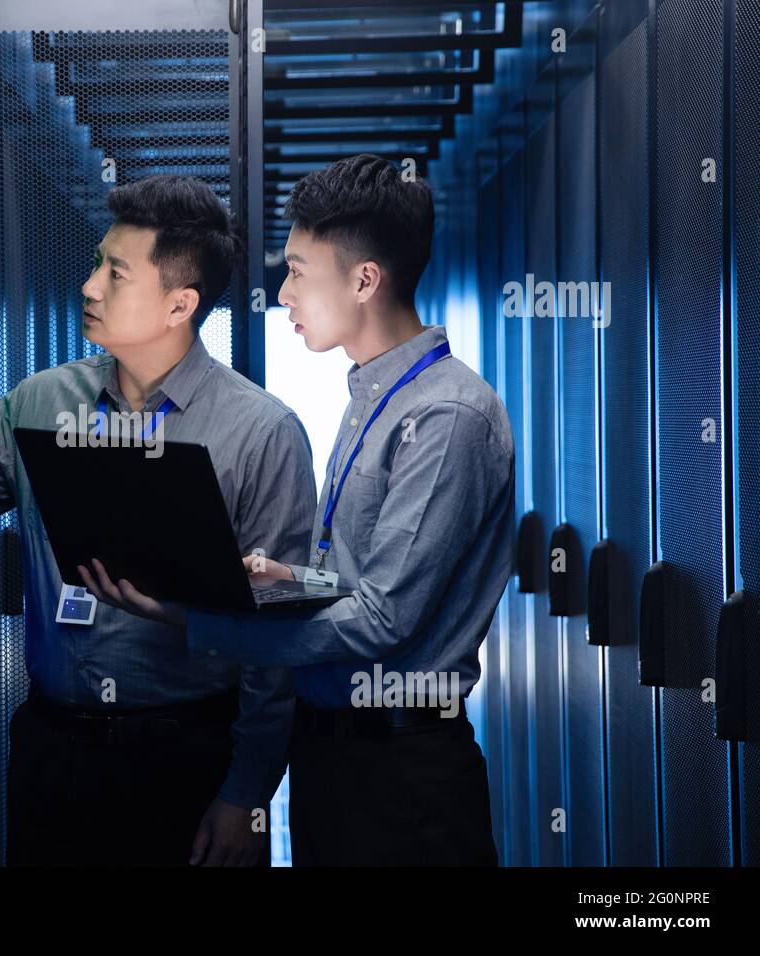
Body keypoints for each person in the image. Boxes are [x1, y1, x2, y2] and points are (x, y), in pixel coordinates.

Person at [0, 174, 317, 865]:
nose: (90, 286)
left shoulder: (262, 432)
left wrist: (246, 795)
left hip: (186, 758)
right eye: (96, 263)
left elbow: (278, 634)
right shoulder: (42, 401)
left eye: (115, 273)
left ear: (179, 304)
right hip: (53, 752)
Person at [79, 155, 514, 865]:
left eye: (299, 271)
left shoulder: (444, 417)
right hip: (340, 757)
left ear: (364, 280)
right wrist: (290, 579)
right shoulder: (375, 397)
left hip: (402, 774)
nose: (283, 293)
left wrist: (202, 619)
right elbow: (364, 582)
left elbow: (382, 620)